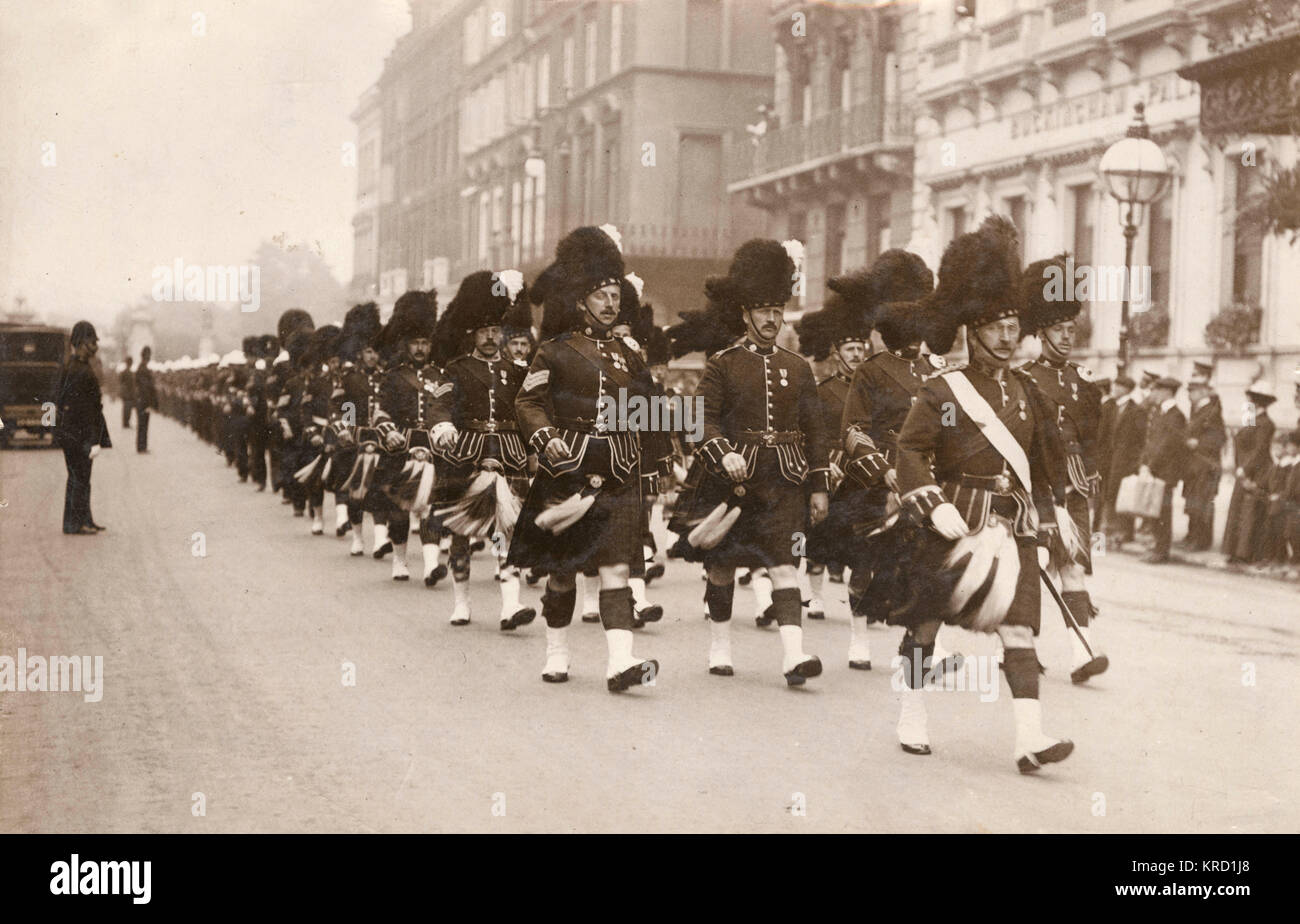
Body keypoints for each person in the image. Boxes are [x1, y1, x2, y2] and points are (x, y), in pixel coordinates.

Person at [869, 215, 1075, 773]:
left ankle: (1029, 738)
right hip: (952, 520)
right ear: (972, 328)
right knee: (926, 624)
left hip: (1014, 528)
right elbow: (909, 453)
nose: (1009, 336)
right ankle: (912, 711)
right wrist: (931, 502)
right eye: (995, 325)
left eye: (1014, 325)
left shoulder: (1029, 391)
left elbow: (1043, 467)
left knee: (1020, 630)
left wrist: (1053, 525)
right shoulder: (943, 388)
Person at [508, 225, 670, 691]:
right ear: (581, 301)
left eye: (615, 293)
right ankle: (556, 653)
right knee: (562, 575)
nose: (610, 302)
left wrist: (656, 462)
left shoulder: (630, 355)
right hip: (568, 474)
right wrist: (544, 438)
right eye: (601, 294)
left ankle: (620, 662)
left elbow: (647, 413)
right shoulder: (554, 351)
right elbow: (527, 403)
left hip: (619, 473)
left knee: (617, 569)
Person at [666, 238, 830, 686]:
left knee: (784, 563)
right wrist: (726, 454)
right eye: (763, 311)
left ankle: (794, 655)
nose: (772, 319)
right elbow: (702, 422)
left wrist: (818, 487)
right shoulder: (723, 364)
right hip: (733, 485)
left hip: (785, 481)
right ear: (745, 314)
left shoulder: (798, 368)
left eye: (778, 310)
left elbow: (816, 429)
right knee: (721, 566)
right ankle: (720, 645)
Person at [823, 251, 942, 670]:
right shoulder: (871, 372)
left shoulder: (939, 370)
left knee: (926, 564)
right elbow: (853, 430)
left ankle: (917, 644)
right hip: (880, 480)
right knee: (865, 563)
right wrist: (884, 470)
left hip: (928, 479)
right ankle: (858, 636)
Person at [431, 269, 537, 630]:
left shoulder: (518, 371)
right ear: (473, 334)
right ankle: (461, 601)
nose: (491, 337)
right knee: (461, 534)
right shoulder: (457, 369)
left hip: (509, 455)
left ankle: (510, 605)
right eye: (484, 331)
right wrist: (442, 424)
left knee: (508, 530)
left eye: (496, 330)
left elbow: (531, 410)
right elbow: (441, 403)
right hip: (468, 453)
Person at [1021, 254, 1108, 681]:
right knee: (1033, 564)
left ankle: (1080, 653)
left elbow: (1095, 436)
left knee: (1072, 567)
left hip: (1073, 486)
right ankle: (1022, 649)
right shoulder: (1025, 378)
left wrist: (1091, 474)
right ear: (1041, 333)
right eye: (1059, 329)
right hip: (1036, 487)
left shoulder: (1084, 380)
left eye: (1071, 329)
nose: (1067, 336)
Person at [373, 291, 456, 582]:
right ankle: (399, 561)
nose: (420, 348)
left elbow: (450, 411)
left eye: (425, 342)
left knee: (431, 508)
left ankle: (432, 565)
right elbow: (380, 413)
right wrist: (389, 434)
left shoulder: (441, 375)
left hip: (434, 448)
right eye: (415, 343)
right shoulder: (394, 376)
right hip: (402, 447)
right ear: (406, 345)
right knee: (399, 513)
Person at [55, 321, 112, 534]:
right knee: (79, 478)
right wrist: (93, 439)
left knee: (81, 477)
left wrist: (53, 430)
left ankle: (83, 519)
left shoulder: (73, 366)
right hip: (79, 434)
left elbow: (52, 401)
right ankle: (74, 523)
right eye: (91, 341)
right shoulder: (80, 369)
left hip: (71, 433)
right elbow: (86, 411)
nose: (94, 346)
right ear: (81, 342)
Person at [1223, 381, 1278, 565]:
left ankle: (1245, 553)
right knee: (1239, 511)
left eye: (1251, 400)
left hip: (1256, 473)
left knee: (1250, 512)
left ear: (1258, 402)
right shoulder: (1253, 420)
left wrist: (1244, 469)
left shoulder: (1266, 423)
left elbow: (1260, 450)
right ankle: (1235, 550)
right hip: (1244, 471)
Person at [1137, 377, 1186, 564]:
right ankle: (1157, 546)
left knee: (1163, 512)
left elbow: (1167, 446)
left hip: (1165, 472)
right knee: (1155, 511)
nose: (1153, 394)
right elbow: (1151, 441)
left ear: (1167, 392)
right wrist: (1144, 462)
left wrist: (1150, 465)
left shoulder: (1176, 415)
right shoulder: (1160, 413)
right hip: (1154, 469)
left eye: (1156, 391)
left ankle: (1162, 550)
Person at [1180, 362, 1227, 551]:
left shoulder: (1212, 411)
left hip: (1206, 465)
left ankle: (1201, 540)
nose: (1189, 395)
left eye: (1191, 392)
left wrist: (1198, 443)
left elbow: (1219, 437)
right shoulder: (1199, 409)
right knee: (1192, 501)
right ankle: (1192, 535)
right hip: (1194, 465)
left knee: (1203, 503)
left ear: (1201, 392)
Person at [1105, 374, 1147, 545]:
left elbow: (1141, 439)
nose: (1114, 389)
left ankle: (1125, 533)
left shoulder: (1137, 411)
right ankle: (1113, 532)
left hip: (1126, 462)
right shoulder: (1111, 407)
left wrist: (1135, 462)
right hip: (1110, 460)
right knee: (1110, 495)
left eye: (1117, 386)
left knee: (1125, 497)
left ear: (1126, 389)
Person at [134, 346, 157, 453]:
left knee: (142, 424)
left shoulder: (141, 368)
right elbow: (145, 388)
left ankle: (142, 446)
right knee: (143, 424)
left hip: (141, 400)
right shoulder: (143, 369)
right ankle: (141, 446)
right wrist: (148, 403)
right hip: (143, 401)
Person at [119, 356, 136, 429]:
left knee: (126, 408)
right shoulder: (129, 373)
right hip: (128, 393)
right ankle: (126, 423)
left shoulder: (124, 372)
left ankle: (125, 422)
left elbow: (121, 382)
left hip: (126, 393)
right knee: (127, 408)